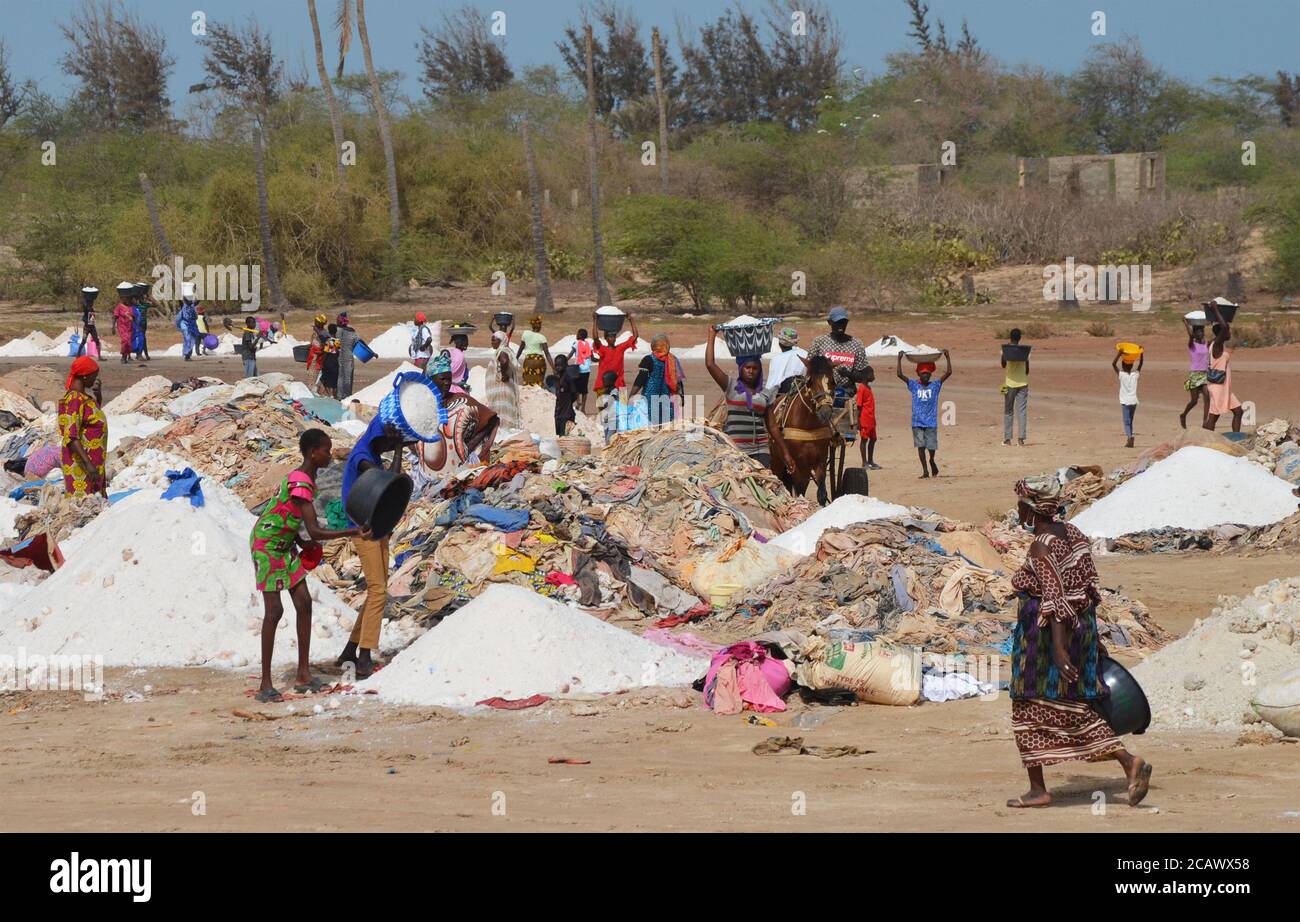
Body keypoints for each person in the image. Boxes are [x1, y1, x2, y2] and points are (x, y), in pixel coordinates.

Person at [1005, 474, 1151, 809]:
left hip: (1045, 637)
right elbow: (1088, 589)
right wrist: (1093, 637)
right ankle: (1123, 763)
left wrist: (1057, 650)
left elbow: (1054, 601)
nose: (1017, 510)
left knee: (1031, 704)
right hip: (1082, 628)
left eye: (1019, 504)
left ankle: (1043, 788)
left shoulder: (1041, 545)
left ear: (1030, 510)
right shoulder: (1074, 534)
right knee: (1072, 703)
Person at [252, 428, 367, 702]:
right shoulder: (301, 482)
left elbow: (292, 519)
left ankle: (303, 674)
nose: (329, 455)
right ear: (313, 452)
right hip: (267, 545)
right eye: (326, 450)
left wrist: (302, 543)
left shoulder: (307, 478)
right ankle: (265, 684)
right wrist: (353, 531)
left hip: (285, 544)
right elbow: (315, 530)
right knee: (274, 611)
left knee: (303, 603)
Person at [336, 420, 409, 680]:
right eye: (388, 440)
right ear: (379, 436)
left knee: (376, 590)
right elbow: (387, 484)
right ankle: (364, 656)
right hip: (361, 529)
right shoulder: (363, 457)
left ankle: (350, 650)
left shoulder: (373, 454)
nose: (390, 445)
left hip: (377, 527)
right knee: (378, 591)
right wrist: (399, 451)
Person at [704, 325, 787, 470]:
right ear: (741, 369)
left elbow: (772, 427)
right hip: (734, 449)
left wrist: (786, 454)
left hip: (761, 450)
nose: (750, 371)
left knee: (762, 488)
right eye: (747, 368)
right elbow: (710, 364)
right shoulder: (730, 386)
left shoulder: (765, 394)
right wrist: (712, 336)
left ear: (759, 371)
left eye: (755, 368)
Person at [810, 307, 870, 441]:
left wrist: (848, 374)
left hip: (845, 391)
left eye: (844, 322)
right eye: (837, 323)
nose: (841, 326)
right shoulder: (819, 342)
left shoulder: (856, 344)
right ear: (829, 323)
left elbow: (863, 374)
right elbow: (810, 367)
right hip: (822, 389)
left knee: (845, 399)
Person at [429, 352, 501, 462]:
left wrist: (469, 447)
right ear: (431, 379)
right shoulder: (424, 404)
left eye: (449, 378)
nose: (447, 383)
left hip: (460, 461)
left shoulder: (461, 399)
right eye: (442, 379)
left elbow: (492, 419)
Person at [57, 356, 107, 499]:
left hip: (92, 461)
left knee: (95, 503)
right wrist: (88, 464)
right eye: (94, 376)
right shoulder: (75, 399)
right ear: (84, 376)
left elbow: (93, 418)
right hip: (81, 464)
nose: (96, 379)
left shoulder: (83, 397)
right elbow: (71, 436)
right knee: (82, 504)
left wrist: (98, 397)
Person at [897, 350, 952, 479]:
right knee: (920, 446)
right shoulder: (914, 385)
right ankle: (925, 470)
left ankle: (932, 460)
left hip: (931, 422)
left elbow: (949, 373)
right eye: (923, 374)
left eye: (928, 373)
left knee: (931, 447)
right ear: (919, 374)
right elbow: (899, 374)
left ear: (930, 374)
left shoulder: (935, 385)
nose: (926, 376)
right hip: (917, 422)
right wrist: (899, 359)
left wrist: (948, 357)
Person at [1204, 301, 1244, 433]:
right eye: (1227, 332)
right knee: (1213, 417)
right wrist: (1216, 310)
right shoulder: (1217, 345)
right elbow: (1225, 327)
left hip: (1223, 386)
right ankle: (1206, 442)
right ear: (1221, 333)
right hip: (1218, 387)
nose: (1229, 333)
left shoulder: (1215, 343)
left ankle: (1236, 439)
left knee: (1238, 411)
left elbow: (1224, 328)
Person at [631, 333, 685, 427]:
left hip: (650, 399)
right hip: (667, 400)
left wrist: (631, 395)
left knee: (651, 428)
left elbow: (641, 378)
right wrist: (682, 396)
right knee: (665, 427)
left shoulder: (648, 360)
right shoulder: (672, 360)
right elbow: (678, 381)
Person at [592, 310, 639, 397]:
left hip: (619, 383)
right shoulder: (602, 349)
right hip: (603, 384)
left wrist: (631, 320)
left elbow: (635, 336)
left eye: (614, 336)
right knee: (602, 408)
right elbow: (595, 338)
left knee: (622, 407)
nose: (612, 338)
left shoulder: (620, 348)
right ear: (606, 338)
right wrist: (595, 320)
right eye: (610, 337)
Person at [485, 330, 522, 430]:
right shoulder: (506, 350)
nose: (492, 342)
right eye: (491, 340)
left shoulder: (502, 352)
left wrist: (504, 375)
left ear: (501, 341)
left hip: (502, 390)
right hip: (504, 389)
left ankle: (502, 435)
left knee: (501, 414)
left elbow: (504, 361)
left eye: (494, 340)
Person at [1179, 318, 1210, 429]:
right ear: (1194, 333)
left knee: (1207, 396)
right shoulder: (1192, 344)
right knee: (1194, 401)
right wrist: (1186, 323)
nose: (1200, 333)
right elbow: (1190, 336)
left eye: (1202, 331)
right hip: (1194, 374)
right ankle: (1183, 415)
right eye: (1198, 331)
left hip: (1204, 374)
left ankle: (1205, 422)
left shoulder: (1206, 343)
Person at [1001, 327, 1029, 445]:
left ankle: (1007, 439)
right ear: (1020, 338)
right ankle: (1021, 439)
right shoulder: (1025, 351)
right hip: (1023, 383)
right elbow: (1027, 370)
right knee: (1022, 411)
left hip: (1010, 383)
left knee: (1008, 411)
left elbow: (1003, 364)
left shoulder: (1006, 350)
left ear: (1010, 337)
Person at [1113, 349, 1142, 448]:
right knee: (1130, 421)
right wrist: (1141, 354)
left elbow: (1113, 364)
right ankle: (1129, 438)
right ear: (1131, 366)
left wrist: (1119, 354)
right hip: (1134, 401)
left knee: (1126, 422)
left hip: (1125, 401)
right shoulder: (1135, 375)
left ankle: (1130, 437)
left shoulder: (1122, 375)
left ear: (1123, 367)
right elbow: (1140, 365)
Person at [767, 326, 808, 393]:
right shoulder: (805, 354)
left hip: (784, 392)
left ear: (779, 343)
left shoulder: (776, 359)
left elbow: (772, 384)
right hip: (802, 390)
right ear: (795, 342)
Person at [855, 366, 880, 469]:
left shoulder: (868, 387)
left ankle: (870, 461)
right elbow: (859, 405)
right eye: (871, 373)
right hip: (864, 419)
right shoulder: (862, 388)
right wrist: (858, 421)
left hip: (871, 419)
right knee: (864, 440)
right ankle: (864, 462)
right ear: (866, 375)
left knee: (873, 439)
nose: (873, 376)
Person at [567, 327, 595, 415]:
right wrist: (601, 360)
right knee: (584, 389)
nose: (576, 335)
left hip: (577, 369)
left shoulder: (576, 343)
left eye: (577, 333)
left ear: (579, 335)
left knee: (575, 387)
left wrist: (564, 360)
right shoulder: (589, 344)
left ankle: (578, 402)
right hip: (586, 370)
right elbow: (593, 358)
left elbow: (571, 354)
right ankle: (583, 408)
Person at [518, 316, 551, 387]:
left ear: (532, 325)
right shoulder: (542, 337)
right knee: (538, 382)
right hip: (539, 361)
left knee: (528, 381)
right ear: (539, 326)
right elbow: (547, 353)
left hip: (529, 361)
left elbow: (521, 348)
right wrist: (553, 367)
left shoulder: (525, 334)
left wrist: (515, 358)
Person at [552, 354, 579, 436]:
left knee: (564, 436)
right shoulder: (559, 378)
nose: (557, 368)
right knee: (560, 435)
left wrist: (569, 401)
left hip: (566, 413)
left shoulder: (568, 378)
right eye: (556, 365)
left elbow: (574, 392)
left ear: (565, 365)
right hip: (559, 412)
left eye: (560, 366)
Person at [335, 312, 358, 399]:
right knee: (348, 378)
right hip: (348, 359)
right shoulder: (352, 331)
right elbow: (359, 343)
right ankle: (347, 397)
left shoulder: (335, 330)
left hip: (338, 358)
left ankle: (339, 397)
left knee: (339, 377)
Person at [76, 286, 102, 358]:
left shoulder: (90, 307)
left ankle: (99, 356)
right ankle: (78, 355)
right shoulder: (86, 307)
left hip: (91, 326)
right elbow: (84, 304)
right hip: (87, 327)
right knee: (84, 341)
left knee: (96, 340)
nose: (92, 303)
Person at [176, 283, 200, 361]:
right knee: (188, 338)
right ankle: (186, 354)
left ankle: (188, 355)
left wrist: (196, 290)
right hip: (185, 323)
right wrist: (181, 291)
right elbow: (182, 299)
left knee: (192, 339)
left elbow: (198, 299)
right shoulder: (183, 305)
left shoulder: (193, 305)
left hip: (192, 324)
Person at [112, 282, 135, 364]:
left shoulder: (132, 306)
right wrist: (113, 327)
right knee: (125, 341)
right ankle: (123, 356)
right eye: (124, 298)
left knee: (129, 342)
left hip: (130, 327)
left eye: (128, 298)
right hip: (122, 326)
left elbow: (135, 317)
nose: (126, 300)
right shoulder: (119, 307)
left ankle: (127, 355)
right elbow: (115, 316)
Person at [596, 370, 620, 442]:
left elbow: (610, 400)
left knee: (609, 439)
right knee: (606, 438)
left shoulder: (615, 391)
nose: (603, 382)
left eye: (604, 381)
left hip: (613, 419)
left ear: (611, 381)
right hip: (606, 419)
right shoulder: (606, 391)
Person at [320, 324, 341, 398]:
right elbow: (338, 352)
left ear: (329, 331)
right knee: (334, 381)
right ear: (336, 331)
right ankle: (334, 395)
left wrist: (322, 362)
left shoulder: (328, 341)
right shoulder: (338, 341)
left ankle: (330, 395)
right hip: (335, 362)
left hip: (328, 362)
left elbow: (325, 352)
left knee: (325, 379)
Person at [131, 283, 150, 361]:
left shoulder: (144, 304)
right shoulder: (133, 304)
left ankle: (141, 354)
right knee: (135, 338)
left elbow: (157, 305)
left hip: (142, 324)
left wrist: (149, 296)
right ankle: (133, 355)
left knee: (142, 339)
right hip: (135, 324)